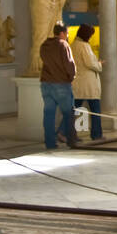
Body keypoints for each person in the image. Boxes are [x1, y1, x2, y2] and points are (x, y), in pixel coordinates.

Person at [40, 22, 79, 150]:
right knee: (68, 113)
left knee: (49, 114)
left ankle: (50, 143)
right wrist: (71, 77)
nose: (67, 36)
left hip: (46, 83)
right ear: (62, 33)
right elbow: (69, 64)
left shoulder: (44, 45)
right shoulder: (63, 45)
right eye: (67, 34)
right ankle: (71, 141)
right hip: (61, 83)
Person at [70, 24, 104, 141]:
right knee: (95, 111)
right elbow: (90, 63)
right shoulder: (84, 46)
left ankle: (65, 132)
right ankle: (97, 135)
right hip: (88, 84)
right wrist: (99, 64)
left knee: (74, 109)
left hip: (78, 83)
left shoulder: (73, 45)